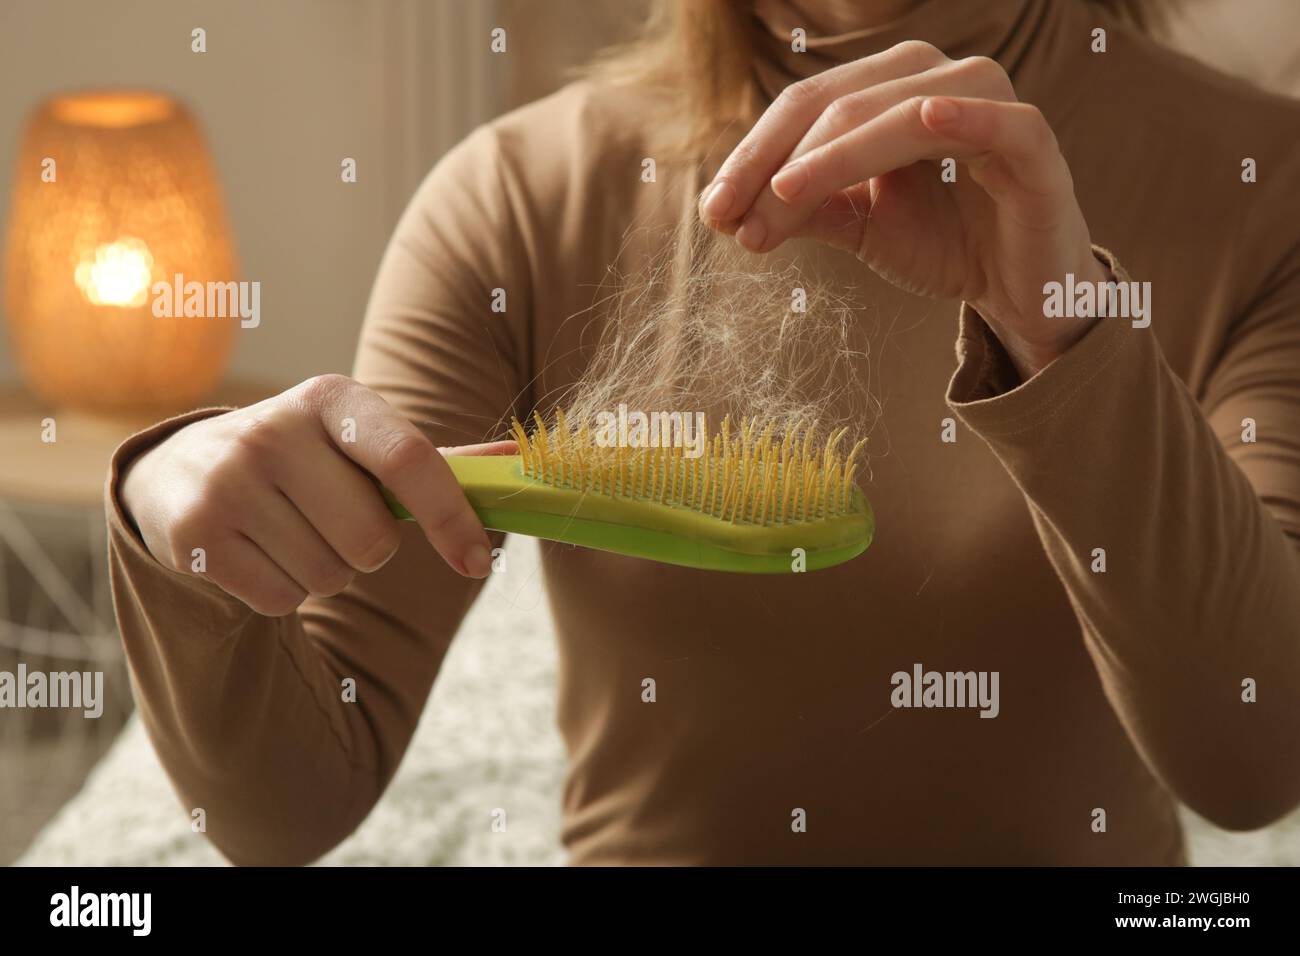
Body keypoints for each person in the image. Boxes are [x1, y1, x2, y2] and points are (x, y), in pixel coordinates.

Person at [111, 0, 1300, 865]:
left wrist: (1066, 338)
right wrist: (173, 520)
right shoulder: (513, 201)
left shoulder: (1266, 190)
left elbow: (1253, 763)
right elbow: (283, 810)